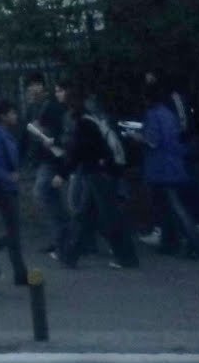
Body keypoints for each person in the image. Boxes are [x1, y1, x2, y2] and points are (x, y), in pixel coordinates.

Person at [52, 84, 139, 270]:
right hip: (101, 171)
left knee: (105, 216)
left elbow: (77, 152)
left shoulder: (84, 123)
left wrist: (62, 173)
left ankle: (125, 256)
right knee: (88, 214)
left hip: (98, 173)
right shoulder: (91, 119)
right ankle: (71, 255)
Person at [135, 79, 199, 259]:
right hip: (174, 164)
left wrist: (137, 137)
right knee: (173, 206)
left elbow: (152, 141)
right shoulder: (168, 113)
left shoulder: (152, 114)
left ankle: (191, 242)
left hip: (160, 167)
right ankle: (178, 242)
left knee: (172, 207)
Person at [0, 98, 29, 285]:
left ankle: (20, 273)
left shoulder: (3, 132)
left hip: (6, 186)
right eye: (12, 112)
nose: (15, 115)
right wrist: (8, 176)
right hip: (2, 187)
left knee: (13, 230)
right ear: (2, 116)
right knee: (13, 231)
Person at [23, 74, 70, 253]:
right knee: (51, 197)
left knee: (43, 193)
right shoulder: (31, 109)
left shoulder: (53, 106)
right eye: (30, 86)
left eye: (36, 85)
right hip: (43, 156)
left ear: (43, 87)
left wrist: (50, 137)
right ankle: (61, 236)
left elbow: (62, 130)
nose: (33, 89)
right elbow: (27, 134)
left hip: (53, 156)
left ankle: (63, 235)